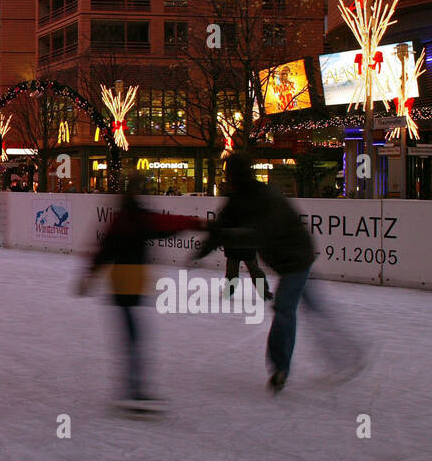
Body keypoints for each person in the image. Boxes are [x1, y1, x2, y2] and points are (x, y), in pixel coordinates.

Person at [203, 152, 365, 394]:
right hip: (287, 260)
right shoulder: (239, 198)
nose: (228, 179)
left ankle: (281, 368)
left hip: (296, 260)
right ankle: (347, 352)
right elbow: (223, 224)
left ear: (238, 175)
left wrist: (223, 235)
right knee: (310, 308)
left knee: (285, 309)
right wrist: (204, 246)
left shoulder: (267, 198)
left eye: (230, 175)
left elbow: (259, 234)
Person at [77, 181, 204, 413]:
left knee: (132, 337)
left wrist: (88, 276)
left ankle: (133, 389)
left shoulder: (120, 220)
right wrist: (197, 222)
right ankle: (133, 391)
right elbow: (168, 224)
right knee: (134, 337)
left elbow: (103, 251)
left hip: (122, 283)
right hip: (132, 284)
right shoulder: (140, 218)